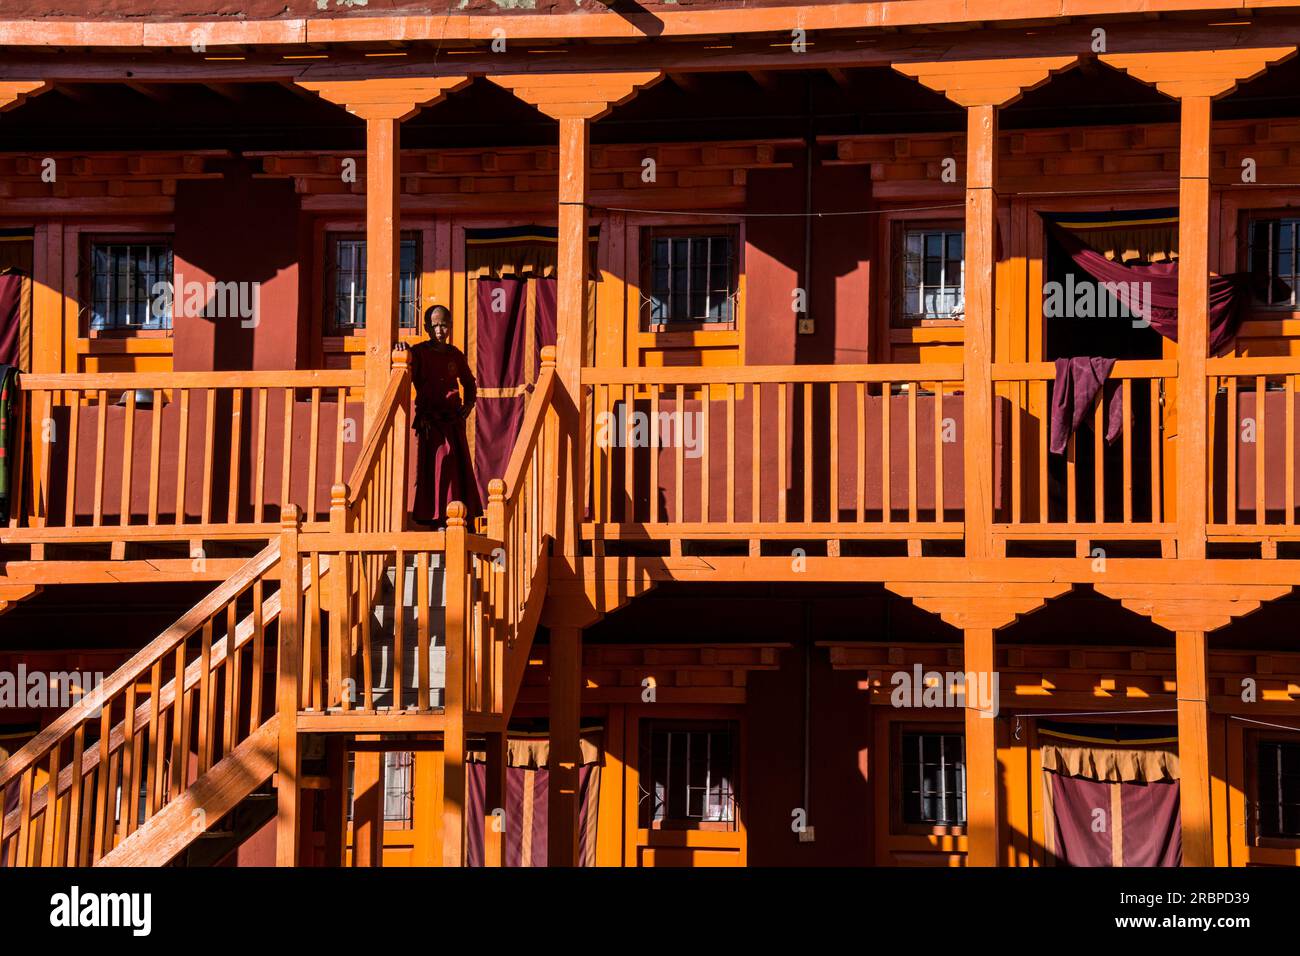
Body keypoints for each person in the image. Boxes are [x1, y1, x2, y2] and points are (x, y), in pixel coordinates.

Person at [396, 305, 482, 526]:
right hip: (430, 420)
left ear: (450, 326)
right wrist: (402, 348)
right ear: (426, 327)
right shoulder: (419, 352)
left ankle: (462, 516)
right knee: (438, 465)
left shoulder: (455, 354)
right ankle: (438, 518)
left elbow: (469, 382)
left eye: (444, 325)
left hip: (452, 419)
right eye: (434, 325)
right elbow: (403, 362)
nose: (440, 330)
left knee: (456, 464)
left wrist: (469, 404)